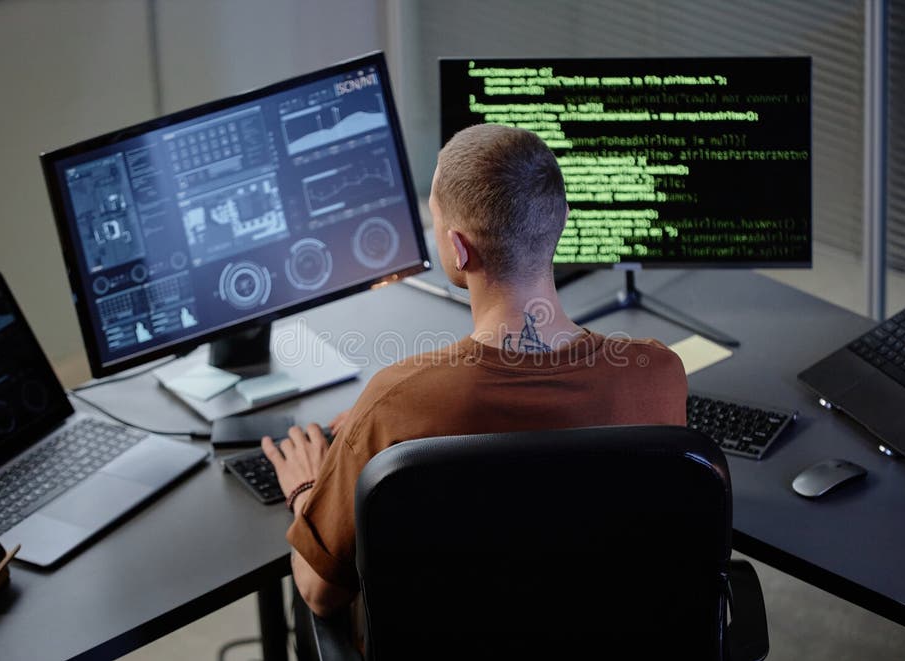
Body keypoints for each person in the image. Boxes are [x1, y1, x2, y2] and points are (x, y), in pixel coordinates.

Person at [261, 124, 687, 617]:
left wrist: (306, 490)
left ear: (458, 249)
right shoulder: (658, 373)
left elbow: (319, 594)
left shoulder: (395, 404)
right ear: (561, 219)